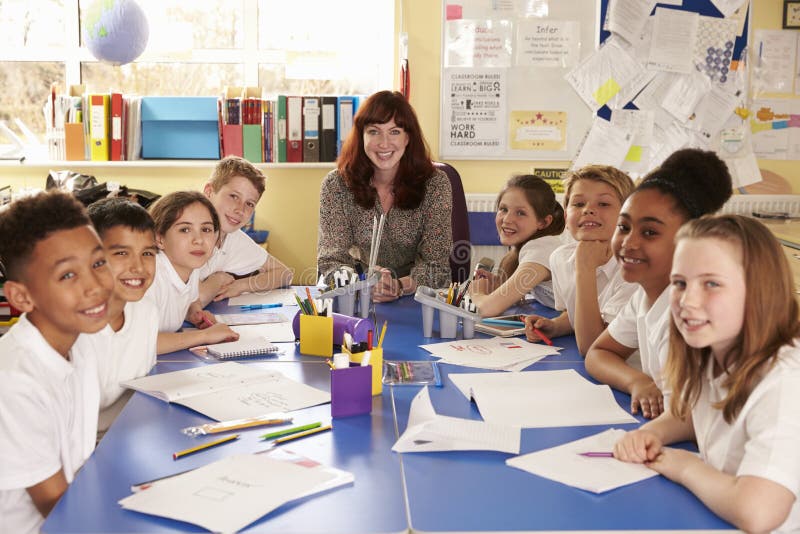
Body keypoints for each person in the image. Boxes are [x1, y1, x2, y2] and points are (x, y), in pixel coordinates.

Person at [614, 215, 800, 532]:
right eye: (679, 283)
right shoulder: (713, 349)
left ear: (759, 290)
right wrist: (652, 433)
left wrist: (685, 466)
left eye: (711, 284)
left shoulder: (786, 379)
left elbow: (758, 512)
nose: (688, 300)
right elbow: (692, 414)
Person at [585, 149, 733, 419]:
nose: (629, 243)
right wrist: (636, 381)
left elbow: (693, 417)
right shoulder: (645, 295)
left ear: (691, 240)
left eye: (650, 232)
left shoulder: (691, 314)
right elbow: (598, 353)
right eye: (624, 227)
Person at [0, 191, 113, 533]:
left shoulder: (82, 342)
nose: (94, 286)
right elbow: (58, 507)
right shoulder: (15, 381)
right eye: (67, 275)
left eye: (98, 263)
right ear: (21, 297)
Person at [317, 90, 452, 302]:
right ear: (361, 136)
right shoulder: (336, 185)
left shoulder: (435, 184)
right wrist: (362, 284)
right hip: (356, 294)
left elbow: (437, 267)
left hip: (415, 297)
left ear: (408, 137)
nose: (384, 143)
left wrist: (397, 285)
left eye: (395, 131)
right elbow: (331, 260)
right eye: (374, 131)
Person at [524, 165, 636, 354]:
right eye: (578, 203)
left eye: (603, 204)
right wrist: (555, 326)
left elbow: (594, 348)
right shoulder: (560, 258)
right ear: (566, 216)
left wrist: (585, 269)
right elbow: (574, 314)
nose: (588, 210)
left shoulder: (633, 271)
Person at [85, 197, 159, 435]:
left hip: (118, 436)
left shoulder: (146, 311)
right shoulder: (66, 326)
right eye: (121, 253)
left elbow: (140, 389)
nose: (139, 267)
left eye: (147, 253)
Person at [144, 191, 238, 354]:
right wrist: (204, 335)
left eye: (206, 229)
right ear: (159, 239)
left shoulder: (189, 267)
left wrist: (194, 312)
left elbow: (189, 297)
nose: (199, 240)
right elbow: (142, 343)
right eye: (185, 229)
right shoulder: (149, 276)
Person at [197, 156, 293, 305]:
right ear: (209, 191)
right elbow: (196, 299)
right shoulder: (189, 232)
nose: (240, 210)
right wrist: (219, 279)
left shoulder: (232, 237)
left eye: (249, 204)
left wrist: (240, 286)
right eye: (234, 196)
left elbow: (285, 274)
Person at [469, 174, 565, 317]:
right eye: (503, 209)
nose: (507, 219)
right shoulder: (531, 246)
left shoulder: (541, 249)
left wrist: (477, 293)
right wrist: (498, 286)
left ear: (543, 222)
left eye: (520, 213)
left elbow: (486, 309)